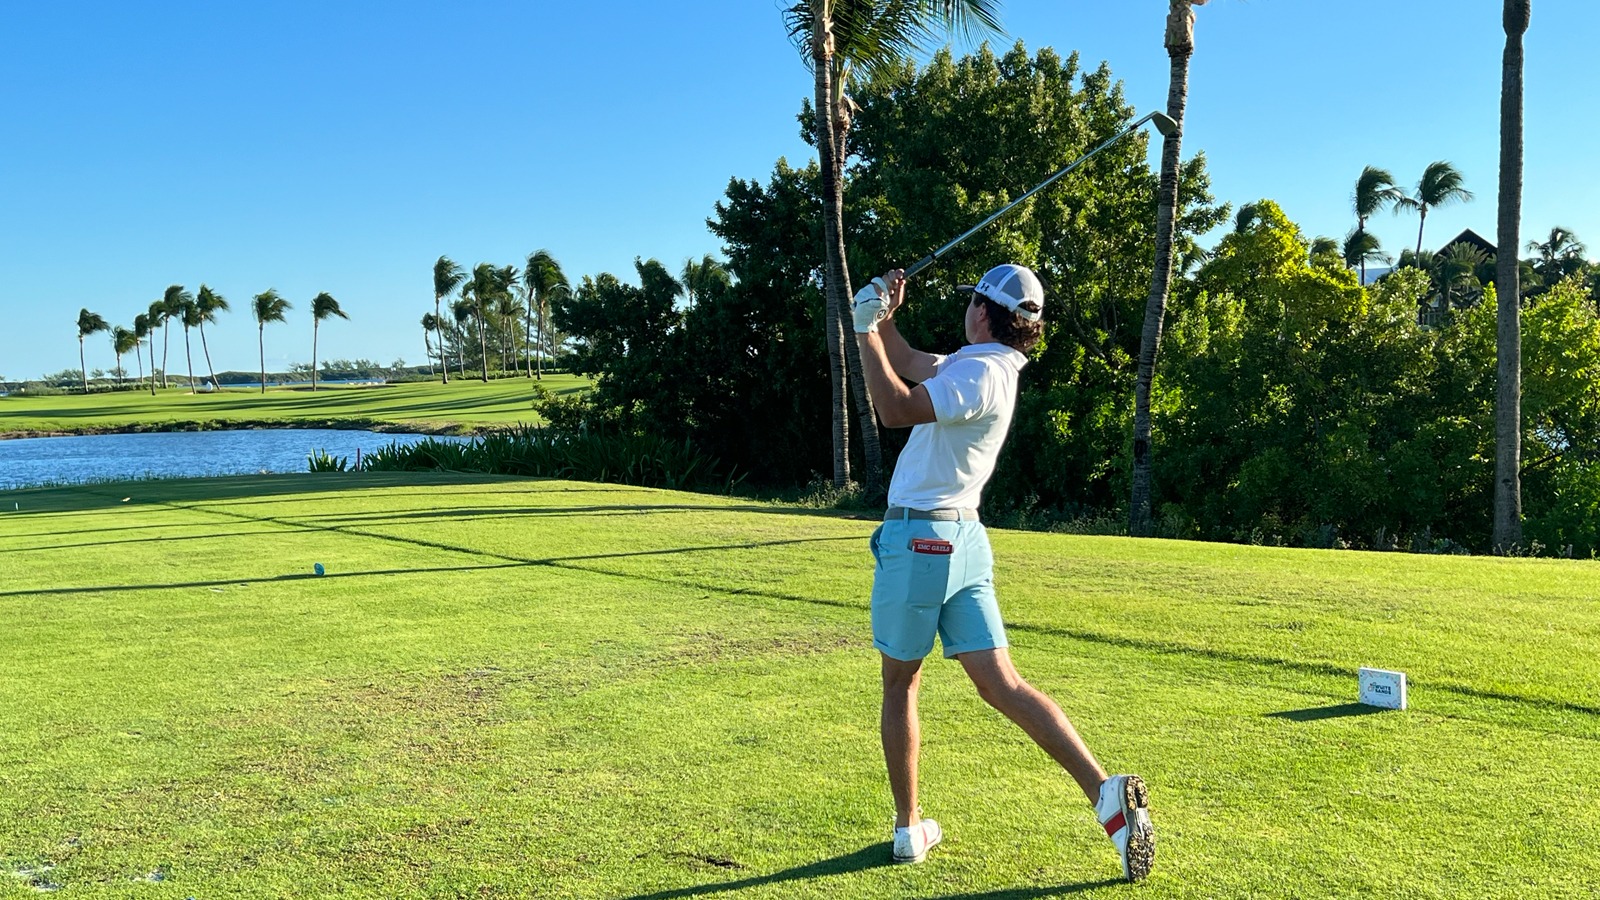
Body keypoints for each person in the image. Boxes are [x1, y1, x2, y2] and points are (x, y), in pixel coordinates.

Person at [849, 263, 1155, 882]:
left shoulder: (979, 374)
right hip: (963, 540)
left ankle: (909, 828)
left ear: (985, 312)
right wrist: (882, 319)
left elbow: (894, 408)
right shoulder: (985, 366)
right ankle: (1106, 797)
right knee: (1003, 686)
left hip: (921, 540)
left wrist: (859, 331)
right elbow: (906, 359)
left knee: (900, 683)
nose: (966, 311)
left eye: (971, 304)